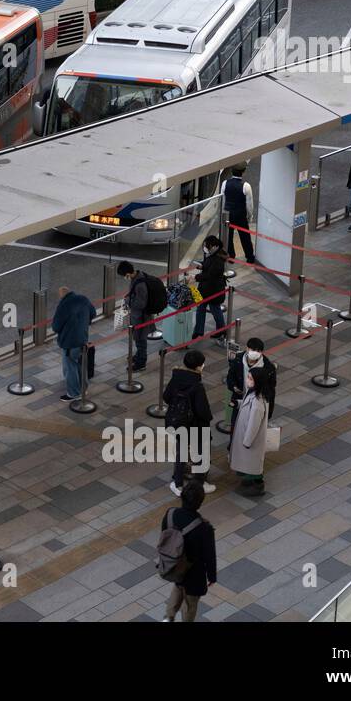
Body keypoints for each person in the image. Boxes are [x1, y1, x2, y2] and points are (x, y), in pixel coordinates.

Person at [161, 481, 217, 622]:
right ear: (200, 502)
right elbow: (209, 555)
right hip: (194, 571)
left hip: (174, 563)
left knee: (178, 586)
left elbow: (165, 535)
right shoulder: (204, 527)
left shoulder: (170, 514)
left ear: (182, 496)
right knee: (190, 603)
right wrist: (211, 576)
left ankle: (168, 618)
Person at [163, 349, 215, 495]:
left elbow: (166, 397)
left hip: (178, 421)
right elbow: (202, 410)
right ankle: (199, 482)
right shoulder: (197, 385)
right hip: (197, 425)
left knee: (181, 452)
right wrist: (208, 418)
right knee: (201, 453)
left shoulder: (176, 378)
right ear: (199, 366)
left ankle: (177, 483)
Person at [230, 366, 269, 497]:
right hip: (246, 436)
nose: (248, 380)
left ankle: (257, 486)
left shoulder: (258, 403)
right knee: (250, 463)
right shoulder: (253, 393)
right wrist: (238, 403)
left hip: (250, 439)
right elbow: (247, 405)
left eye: (250, 378)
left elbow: (253, 425)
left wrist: (247, 441)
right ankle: (250, 481)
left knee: (252, 465)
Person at [52, 285, 97, 402]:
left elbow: (56, 326)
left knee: (70, 367)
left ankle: (73, 393)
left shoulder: (63, 305)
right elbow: (93, 313)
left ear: (62, 295)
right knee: (80, 364)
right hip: (83, 338)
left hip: (69, 342)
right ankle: (83, 389)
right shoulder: (83, 299)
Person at [191, 235, 228, 344]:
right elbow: (208, 266)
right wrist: (201, 266)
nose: (205, 248)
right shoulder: (211, 254)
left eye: (207, 246)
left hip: (214, 290)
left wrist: (195, 277)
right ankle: (198, 331)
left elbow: (210, 275)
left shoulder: (218, 260)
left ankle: (221, 330)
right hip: (204, 288)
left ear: (214, 246)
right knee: (200, 308)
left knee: (215, 309)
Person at [117, 260, 152, 371]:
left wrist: (128, 300)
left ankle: (141, 363)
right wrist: (130, 295)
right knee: (138, 339)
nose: (125, 278)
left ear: (127, 274)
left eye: (124, 276)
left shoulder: (139, 284)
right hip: (138, 315)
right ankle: (138, 356)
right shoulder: (138, 275)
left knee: (140, 339)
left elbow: (140, 304)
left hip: (141, 317)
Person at [222, 164, 256, 265]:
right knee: (245, 237)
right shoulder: (246, 186)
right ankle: (249, 257)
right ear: (243, 171)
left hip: (228, 214)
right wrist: (250, 216)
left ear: (231, 171)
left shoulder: (225, 183)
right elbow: (249, 205)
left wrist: (223, 213)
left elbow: (223, 200)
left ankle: (231, 257)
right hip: (240, 215)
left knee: (229, 236)